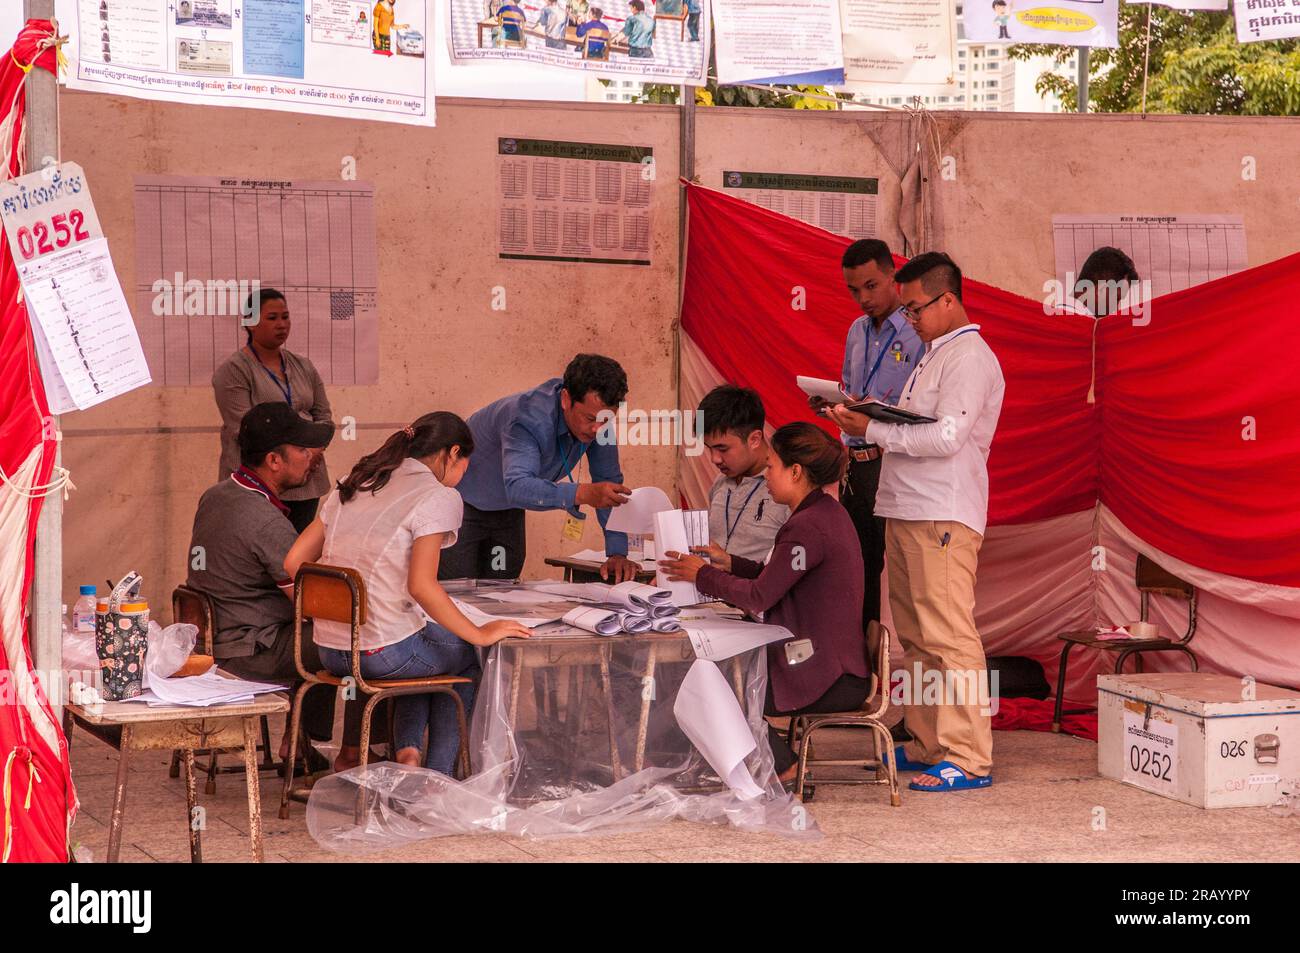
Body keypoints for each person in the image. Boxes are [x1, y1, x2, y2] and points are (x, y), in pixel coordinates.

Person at [827, 251, 1005, 792]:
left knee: (948, 634)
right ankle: (929, 742)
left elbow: (948, 436)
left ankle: (969, 754)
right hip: (905, 507)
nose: (908, 320)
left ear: (948, 299)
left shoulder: (969, 356)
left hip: (942, 510)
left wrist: (875, 430)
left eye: (915, 308)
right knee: (918, 636)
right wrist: (866, 418)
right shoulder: (932, 352)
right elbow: (918, 426)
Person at [286, 413, 531, 775]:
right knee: (467, 654)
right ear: (453, 453)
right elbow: (422, 586)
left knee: (427, 648)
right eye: (466, 465)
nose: (464, 475)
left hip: (331, 650)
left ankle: (408, 754)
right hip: (381, 652)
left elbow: (293, 563)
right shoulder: (436, 496)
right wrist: (481, 632)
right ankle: (436, 776)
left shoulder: (354, 485)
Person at [659, 423, 867, 785]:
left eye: (771, 466)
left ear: (796, 472)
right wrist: (731, 563)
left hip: (823, 671)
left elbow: (760, 595)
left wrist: (700, 576)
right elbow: (780, 575)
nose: (766, 475)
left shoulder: (808, 526)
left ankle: (780, 763)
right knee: (719, 668)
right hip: (833, 661)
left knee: (717, 677)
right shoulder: (824, 514)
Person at [187, 402, 372, 773]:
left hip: (215, 637)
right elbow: (312, 602)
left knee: (323, 634)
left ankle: (298, 741)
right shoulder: (263, 519)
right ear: (274, 460)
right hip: (251, 648)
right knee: (361, 640)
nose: (312, 459)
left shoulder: (218, 494)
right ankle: (351, 755)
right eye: (302, 451)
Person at [440, 353, 636, 583]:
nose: (597, 430)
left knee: (498, 588)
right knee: (457, 591)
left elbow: (609, 483)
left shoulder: (600, 425)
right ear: (565, 399)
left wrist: (617, 552)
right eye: (589, 418)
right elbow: (519, 486)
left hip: (507, 512)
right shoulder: (527, 418)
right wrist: (583, 493)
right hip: (462, 507)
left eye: (606, 420)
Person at [811, 239, 923, 634]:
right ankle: (860, 668)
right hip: (855, 466)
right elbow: (851, 389)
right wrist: (835, 406)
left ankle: (895, 661)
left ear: (895, 275)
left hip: (897, 463)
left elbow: (924, 409)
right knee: (857, 569)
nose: (863, 298)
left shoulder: (918, 331)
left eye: (871, 286)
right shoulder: (856, 331)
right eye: (854, 290)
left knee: (911, 573)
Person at [213, 288, 333, 534]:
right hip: (258, 483)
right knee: (257, 553)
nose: (281, 324)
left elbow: (324, 418)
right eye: (272, 318)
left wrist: (311, 452)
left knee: (295, 555)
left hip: (305, 480)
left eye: (285, 316)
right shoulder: (234, 370)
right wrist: (299, 451)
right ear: (250, 323)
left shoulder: (303, 365)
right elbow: (243, 430)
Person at [699, 385, 789, 564]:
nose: (714, 459)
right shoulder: (720, 483)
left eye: (722, 449)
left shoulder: (787, 489)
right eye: (709, 448)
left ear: (754, 439)